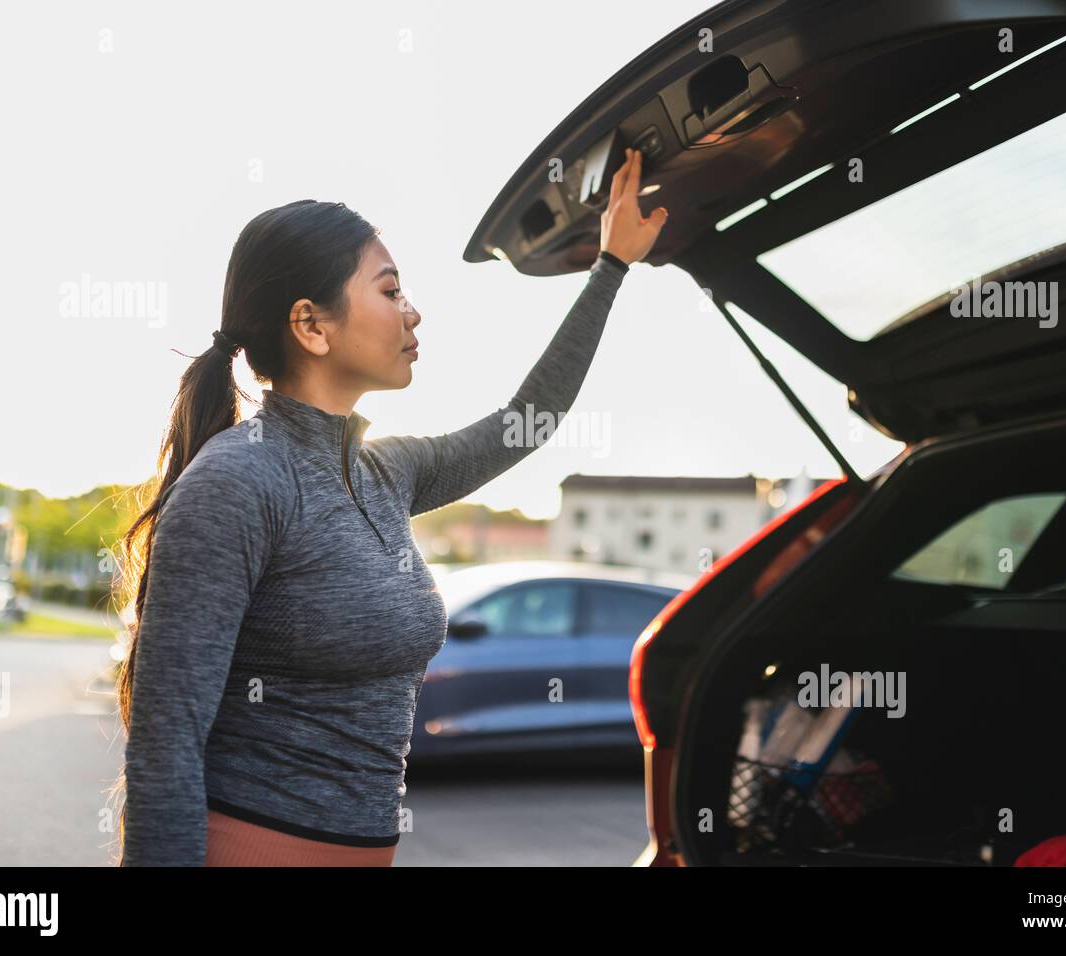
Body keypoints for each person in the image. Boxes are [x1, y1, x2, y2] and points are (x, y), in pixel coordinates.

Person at [112, 148, 668, 866]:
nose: (413, 311)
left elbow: (530, 418)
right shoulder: (239, 483)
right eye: (389, 290)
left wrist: (611, 264)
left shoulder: (386, 471)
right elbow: (166, 738)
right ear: (312, 326)